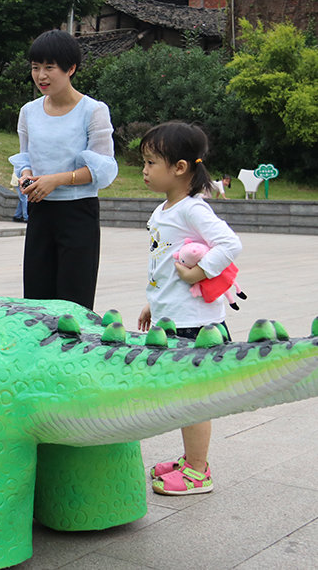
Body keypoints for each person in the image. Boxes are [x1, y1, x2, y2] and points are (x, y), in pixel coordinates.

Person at [137, 121, 242, 496]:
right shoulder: (164, 209)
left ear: (180, 167)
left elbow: (230, 244)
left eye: (151, 163)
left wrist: (201, 271)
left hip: (196, 325)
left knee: (193, 400)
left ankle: (198, 471)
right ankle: (190, 460)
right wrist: (153, 303)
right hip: (173, 319)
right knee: (183, 397)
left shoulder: (192, 209)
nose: (144, 170)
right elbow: (163, 265)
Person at [9, 29, 117, 309]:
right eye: (35, 67)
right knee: (37, 301)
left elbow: (103, 170)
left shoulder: (93, 111)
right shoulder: (29, 111)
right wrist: (26, 176)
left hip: (78, 213)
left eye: (49, 67)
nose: (41, 76)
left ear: (71, 69)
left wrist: (57, 180)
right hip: (40, 211)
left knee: (74, 302)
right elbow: (26, 158)